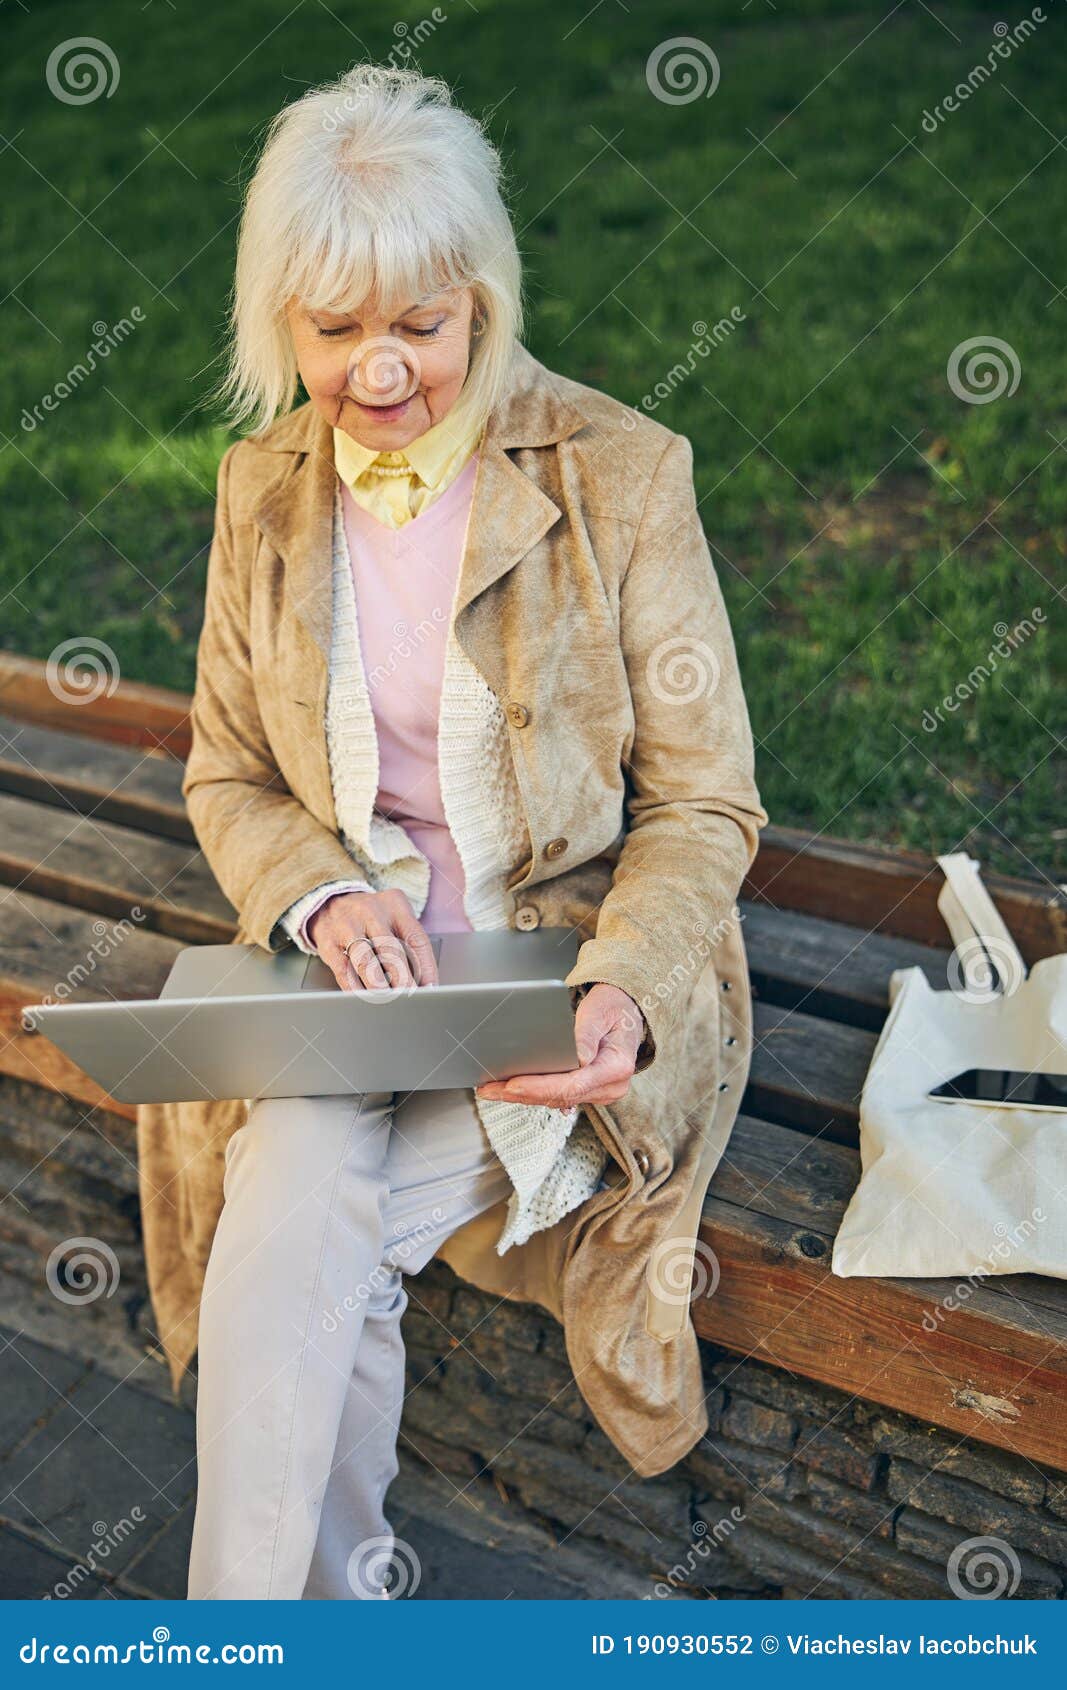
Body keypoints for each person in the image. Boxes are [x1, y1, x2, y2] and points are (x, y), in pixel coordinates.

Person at [133, 61, 767, 1600]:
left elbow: (705, 803)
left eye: (419, 323)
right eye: (334, 329)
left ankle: (269, 1628)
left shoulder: (620, 474)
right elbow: (228, 775)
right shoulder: (261, 490)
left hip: (559, 976)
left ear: (483, 295)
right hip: (357, 981)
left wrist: (622, 988)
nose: (381, 372)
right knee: (303, 1201)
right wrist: (316, 896)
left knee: (299, 1246)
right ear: (278, 317)